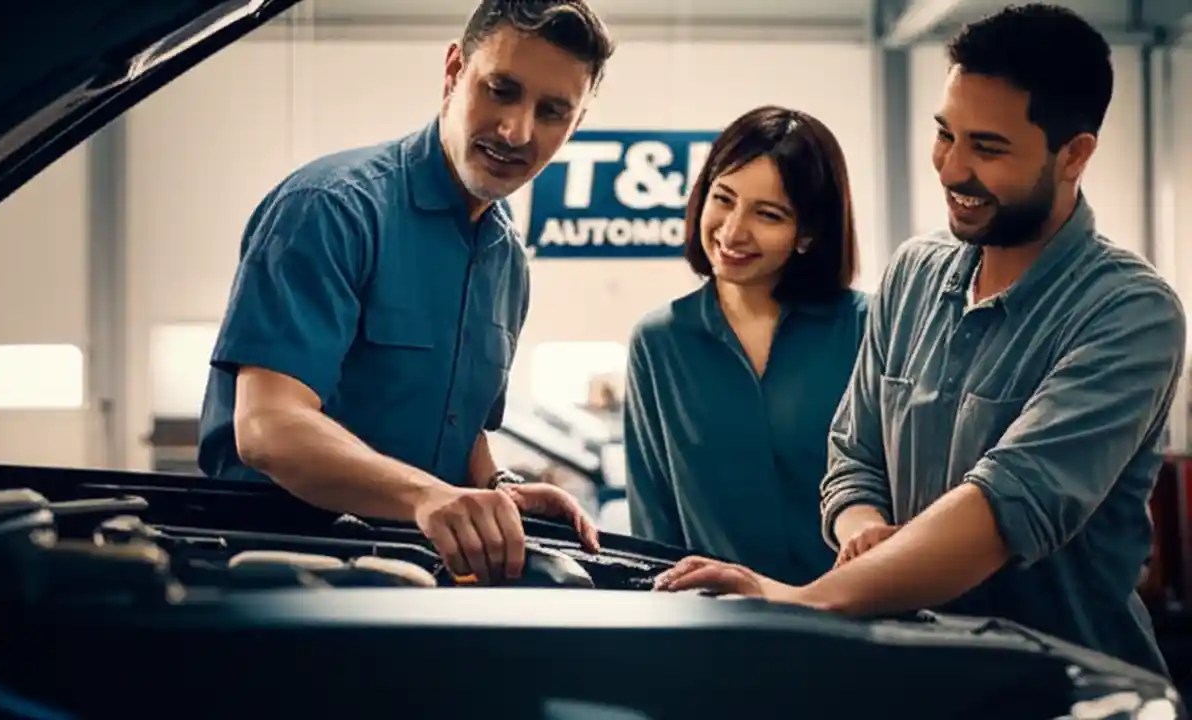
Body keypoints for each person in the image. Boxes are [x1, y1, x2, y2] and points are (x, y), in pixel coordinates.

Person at [652, 3, 1186, 677]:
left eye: (987, 148)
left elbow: (1004, 506)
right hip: (919, 677)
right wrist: (864, 531)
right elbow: (852, 456)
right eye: (944, 135)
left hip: (1067, 690)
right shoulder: (914, 272)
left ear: (1074, 154)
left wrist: (803, 604)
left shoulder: (1130, 313)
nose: (951, 169)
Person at [196, 0, 616, 585]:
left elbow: (458, 427)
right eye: (501, 89)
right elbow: (268, 427)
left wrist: (497, 489)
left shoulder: (507, 261)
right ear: (453, 71)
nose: (517, 130)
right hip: (278, 573)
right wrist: (428, 497)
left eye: (551, 111)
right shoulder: (331, 208)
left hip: (412, 581)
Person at [623, 105, 867, 586]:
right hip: (713, 633)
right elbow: (654, 522)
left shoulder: (871, 330)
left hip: (852, 623)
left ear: (809, 234)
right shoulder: (659, 342)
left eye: (768, 214)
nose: (733, 231)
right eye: (724, 199)